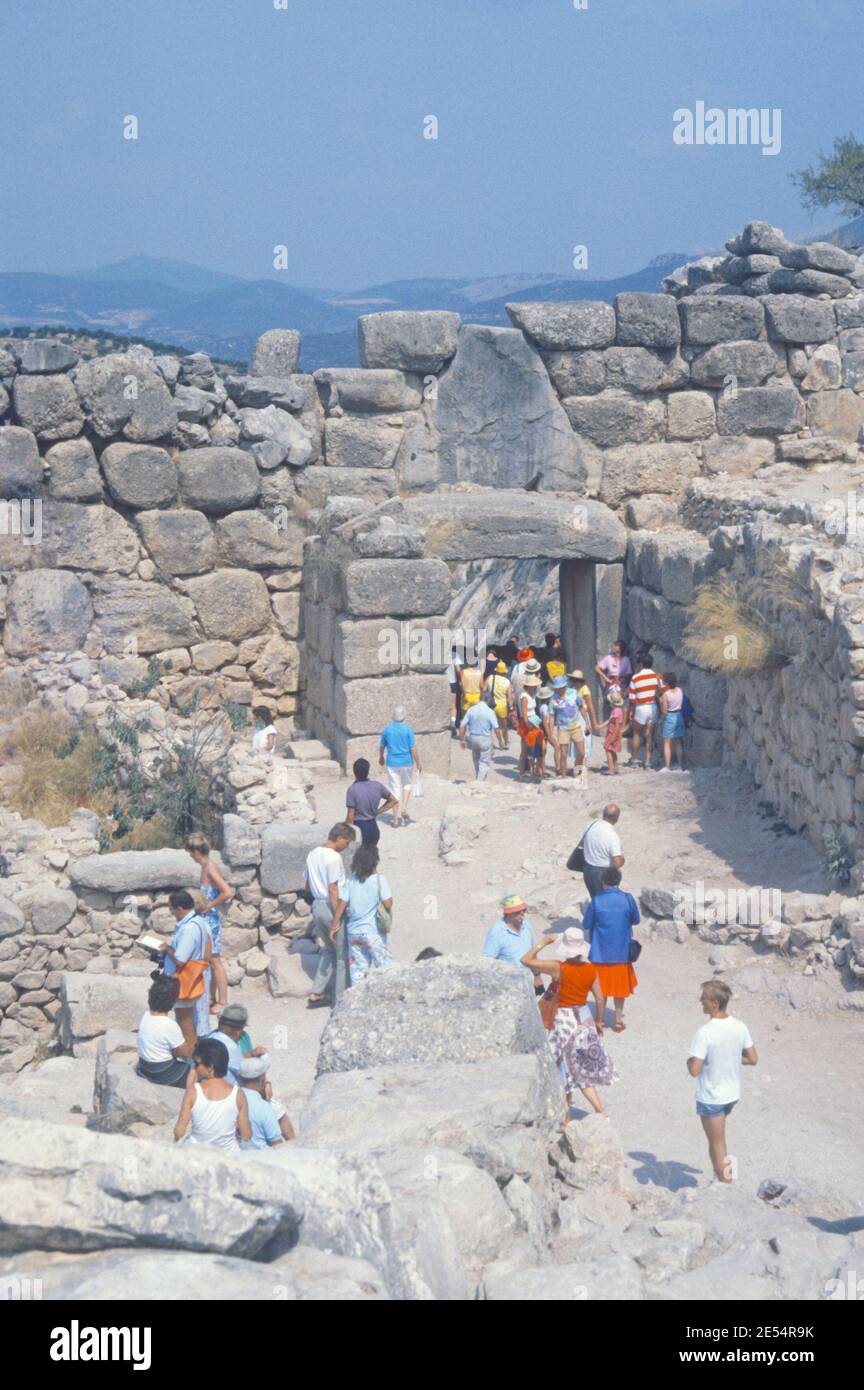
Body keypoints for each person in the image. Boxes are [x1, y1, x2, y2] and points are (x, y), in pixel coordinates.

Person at [521, 928, 615, 1117]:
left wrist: (543, 942)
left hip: (563, 1019)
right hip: (584, 1017)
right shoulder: (591, 969)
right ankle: (592, 1110)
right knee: (579, 1066)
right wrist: (598, 1021)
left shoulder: (558, 967)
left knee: (562, 1065)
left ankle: (572, 1114)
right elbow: (600, 998)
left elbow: (526, 960)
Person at [687, 979, 757, 1184]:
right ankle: (721, 1179)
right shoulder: (739, 1026)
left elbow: (694, 1070)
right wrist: (730, 1058)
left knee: (719, 1145)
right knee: (717, 1142)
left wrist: (688, 1061)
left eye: (704, 998)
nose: (701, 1001)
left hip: (712, 1096)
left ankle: (727, 1187)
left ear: (714, 1003)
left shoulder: (705, 1032)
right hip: (731, 1094)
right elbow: (753, 1059)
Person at [305, 822, 356, 1007]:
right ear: (340, 838)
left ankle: (317, 993)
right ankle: (341, 1000)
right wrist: (337, 919)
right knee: (342, 955)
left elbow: (307, 883)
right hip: (331, 907)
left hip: (317, 905)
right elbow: (333, 889)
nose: (347, 847)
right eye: (347, 842)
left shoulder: (312, 854)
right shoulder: (334, 858)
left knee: (328, 949)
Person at [583, 867, 640, 1032]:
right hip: (621, 952)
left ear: (603, 881)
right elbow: (635, 920)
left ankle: (599, 1021)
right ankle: (617, 1020)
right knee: (620, 989)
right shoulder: (627, 899)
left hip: (600, 952)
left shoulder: (596, 901)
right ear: (618, 881)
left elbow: (587, 924)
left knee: (600, 988)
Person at [158, 889, 212, 1052]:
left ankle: (190, 1058)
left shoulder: (189, 928)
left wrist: (167, 949)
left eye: (172, 909)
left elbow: (180, 959)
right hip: (195, 976)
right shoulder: (200, 922)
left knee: (184, 1021)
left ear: (180, 908)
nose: (171, 913)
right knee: (191, 1019)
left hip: (183, 980)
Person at [174, 1037, 251, 1151]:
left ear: (210, 1067)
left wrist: (176, 1141)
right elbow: (246, 1135)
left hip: (197, 1154)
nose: (194, 1067)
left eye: (197, 1063)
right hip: (228, 1154)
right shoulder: (238, 1094)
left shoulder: (193, 1092)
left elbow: (180, 1130)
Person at [185, 832, 233, 1018]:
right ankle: (212, 998)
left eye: (191, 852)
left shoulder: (210, 868)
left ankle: (223, 1001)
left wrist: (209, 906)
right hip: (206, 920)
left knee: (216, 962)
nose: (190, 856)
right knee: (209, 961)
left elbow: (226, 892)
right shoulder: (205, 867)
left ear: (198, 851)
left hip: (211, 921)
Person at [339, 841, 394, 986]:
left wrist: (334, 925)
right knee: (386, 967)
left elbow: (342, 904)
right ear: (374, 862)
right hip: (373, 932)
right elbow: (388, 904)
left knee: (357, 971)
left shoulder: (350, 880)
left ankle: (356, 1003)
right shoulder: (379, 880)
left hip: (354, 932)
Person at [136, 975, 193, 1087]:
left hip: (145, 1067)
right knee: (199, 1071)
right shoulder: (169, 1025)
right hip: (162, 1073)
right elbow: (185, 1054)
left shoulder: (146, 1015)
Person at [238, 1053, 295, 1148]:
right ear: (263, 1078)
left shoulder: (230, 1097)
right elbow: (278, 1143)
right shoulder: (265, 1107)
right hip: (260, 1159)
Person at [379, 706, 421, 828]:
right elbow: (412, 748)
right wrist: (418, 762)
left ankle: (395, 819)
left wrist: (381, 757)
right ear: (404, 716)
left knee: (394, 789)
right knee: (407, 784)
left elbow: (382, 746)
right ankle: (404, 808)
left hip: (392, 762)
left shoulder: (387, 730)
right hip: (407, 762)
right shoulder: (408, 730)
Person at [208, 1002, 268, 1084]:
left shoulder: (210, 1037)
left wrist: (252, 1054)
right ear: (238, 1031)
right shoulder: (230, 1047)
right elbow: (248, 1072)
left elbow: (233, 1061)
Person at [345, 758, 397, 845]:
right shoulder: (377, 785)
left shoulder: (352, 789)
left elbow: (350, 818)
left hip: (359, 828)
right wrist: (378, 811)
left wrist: (345, 833)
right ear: (368, 771)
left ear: (354, 772)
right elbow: (393, 800)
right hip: (373, 827)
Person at [482, 895, 536, 977]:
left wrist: (537, 975)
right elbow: (487, 962)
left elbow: (533, 953)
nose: (522, 913)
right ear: (508, 913)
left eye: (523, 910)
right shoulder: (497, 931)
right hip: (510, 984)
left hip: (530, 980)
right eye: (517, 911)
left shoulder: (527, 926)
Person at [581, 804, 625, 898]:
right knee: (604, 902)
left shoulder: (591, 825)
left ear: (603, 814)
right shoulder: (612, 836)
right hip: (602, 874)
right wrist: (622, 860)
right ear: (616, 818)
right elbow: (617, 863)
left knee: (595, 899)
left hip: (587, 869)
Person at [628, 651, 662, 769]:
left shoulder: (635, 678)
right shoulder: (657, 677)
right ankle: (648, 762)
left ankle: (634, 759)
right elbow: (662, 691)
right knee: (650, 735)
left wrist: (631, 713)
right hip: (653, 707)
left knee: (636, 734)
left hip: (641, 708)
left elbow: (632, 699)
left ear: (641, 663)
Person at [549, 675, 585, 781]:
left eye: (561, 687)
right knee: (563, 755)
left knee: (582, 753)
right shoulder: (553, 698)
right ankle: (564, 775)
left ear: (565, 686)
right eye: (557, 688)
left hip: (576, 727)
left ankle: (576, 769)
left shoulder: (574, 693)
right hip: (563, 729)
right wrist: (550, 732)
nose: (559, 689)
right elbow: (551, 716)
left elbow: (581, 708)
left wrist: (587, 723)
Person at [460, 693, 499, 781]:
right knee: (484, 762)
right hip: (485, 738)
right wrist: (500, 741)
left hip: (473, 738)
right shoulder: (490, 711)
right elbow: (496, 728)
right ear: (488, 700)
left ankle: (478, 778)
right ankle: (480, 782)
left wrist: (462, 740)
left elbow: (462, 726)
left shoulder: (471, 709)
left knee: (476, 759)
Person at [567, 669, 598, 768]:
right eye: (573, 680)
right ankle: (579, 767)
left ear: (581, 681)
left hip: (583, 717)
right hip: (574, 717)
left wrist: (594, 722)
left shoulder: (585, 689)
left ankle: (583, 766)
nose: (574, 682)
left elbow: (590, 706)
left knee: (584, 741)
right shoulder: (572, 690)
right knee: (576, 741)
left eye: (576, 680)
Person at [595, 688, 629, 775]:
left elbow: (617, 725)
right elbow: (610, 720)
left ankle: (611, 769)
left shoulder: (616, 711)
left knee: (607, 749)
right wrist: (600, 726)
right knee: (612, 750)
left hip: (613, 733)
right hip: (613, 733)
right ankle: (616, 768)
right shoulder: (616, 711)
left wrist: (613, 736)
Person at [660, 671, 687, 772]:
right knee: (678, 741)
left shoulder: (665, 694)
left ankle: (667, 766)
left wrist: (661, 702)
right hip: (679, 715)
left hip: (670, 717)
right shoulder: (680, 690)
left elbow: (664, 711)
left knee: (667, 742)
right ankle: (680, 766)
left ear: (667, 683)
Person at [485, 659, 514, 750]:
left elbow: (484, 690)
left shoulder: (490, 678)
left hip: (491, 704)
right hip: (502, 705)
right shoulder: (507, 682)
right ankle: (506, 742)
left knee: (495, 725)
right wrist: (511, 707)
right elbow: (509, 697)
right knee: (504, 726)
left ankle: (500, 742)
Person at [446, 645, 463, 737]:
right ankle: (452, 724)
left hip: (442, 681)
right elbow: (458, 669)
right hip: (452, 681)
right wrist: (460, 680)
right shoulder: (454, 655)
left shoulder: (439, 655)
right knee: (453, 705)